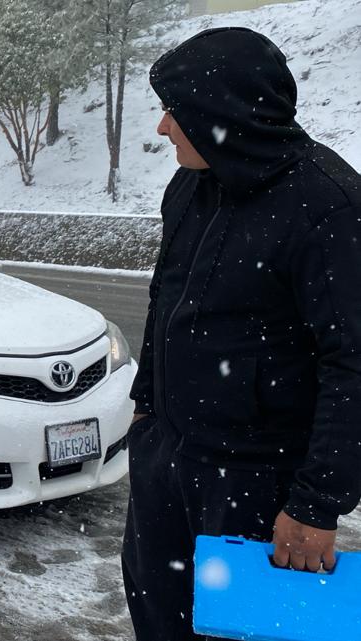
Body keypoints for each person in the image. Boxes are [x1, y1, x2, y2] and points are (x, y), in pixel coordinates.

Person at [123, 27, 361, 641]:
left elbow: (353, 363)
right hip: (168, 462)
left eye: (175, 111)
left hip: (256, 482)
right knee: (159, 619)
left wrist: (316, 503)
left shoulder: (327, 205)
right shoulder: (191, 186)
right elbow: (164, 301)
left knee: (242, 633)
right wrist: (146, 409)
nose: (163, 128)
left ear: (222, 111)